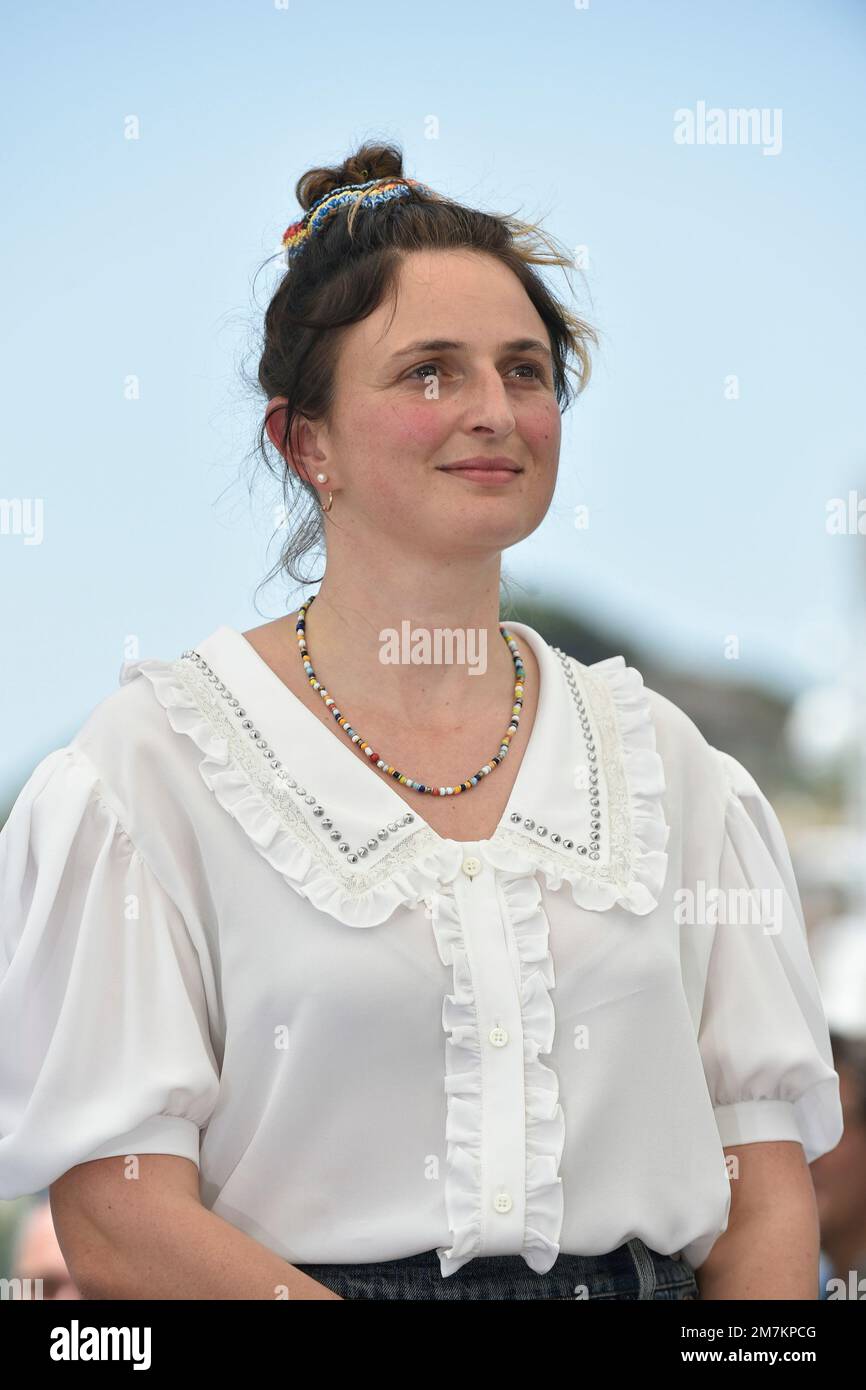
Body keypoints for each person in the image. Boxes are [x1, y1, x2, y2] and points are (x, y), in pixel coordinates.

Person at [0, 142, 843, 1301]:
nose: (495, 410)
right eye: (430, 373)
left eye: (527, 370)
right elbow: (119, 1212)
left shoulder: (669, 768)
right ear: (304, 442)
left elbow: (761, 1189)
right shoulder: (149, 771)